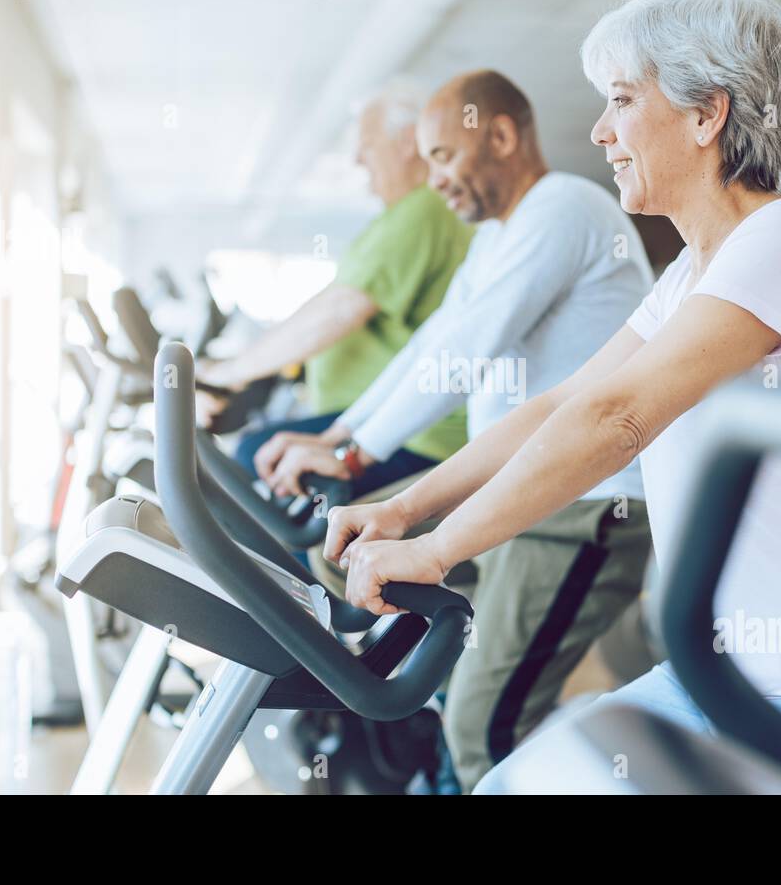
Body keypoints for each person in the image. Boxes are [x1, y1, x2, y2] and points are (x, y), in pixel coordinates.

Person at [326, 0, 781, 796]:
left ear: (707, 115)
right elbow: (557, 405)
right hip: (736, 683)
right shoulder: (688, 277)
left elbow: (618, 417)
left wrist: (438, 551)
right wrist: (406, 509)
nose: (600, 131)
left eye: (622, 100)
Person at [263, 70, 654, 792]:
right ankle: (448, 732)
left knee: (483, 726)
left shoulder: (564, 208)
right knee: (349, 555)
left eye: (443, 156)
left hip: (585, 508)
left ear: (502, 136)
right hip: (517, 493)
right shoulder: (496, 238)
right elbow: (431, 342)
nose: (434, 179)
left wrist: (354, 453)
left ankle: (475, 746)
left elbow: (465, 350)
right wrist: (340, 436)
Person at [198, 81, 471, 496]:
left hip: (420, 434)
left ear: (407, 144)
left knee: (256, 454)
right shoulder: (402, 215)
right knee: (262, 456)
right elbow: (330, 301)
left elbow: (341, 309)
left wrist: (230, 375)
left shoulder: (424, 210)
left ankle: (289, 564)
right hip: (372, 414)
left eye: (367, 144)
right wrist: (238, 366)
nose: (358, 158)